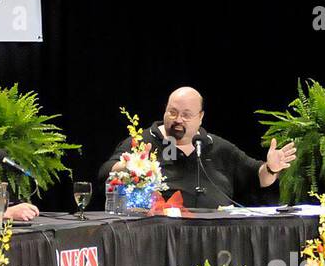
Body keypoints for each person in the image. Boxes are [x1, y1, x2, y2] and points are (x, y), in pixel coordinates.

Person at [97, 86, 295, 209]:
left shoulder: (216, 146)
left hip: (216, 236)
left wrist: (271, 168)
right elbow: (105, 173)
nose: (178, 120)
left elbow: (257, 177)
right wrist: (132, 166)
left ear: (200, 117)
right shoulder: (144, 142)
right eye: (172, 112)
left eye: (186, 115)